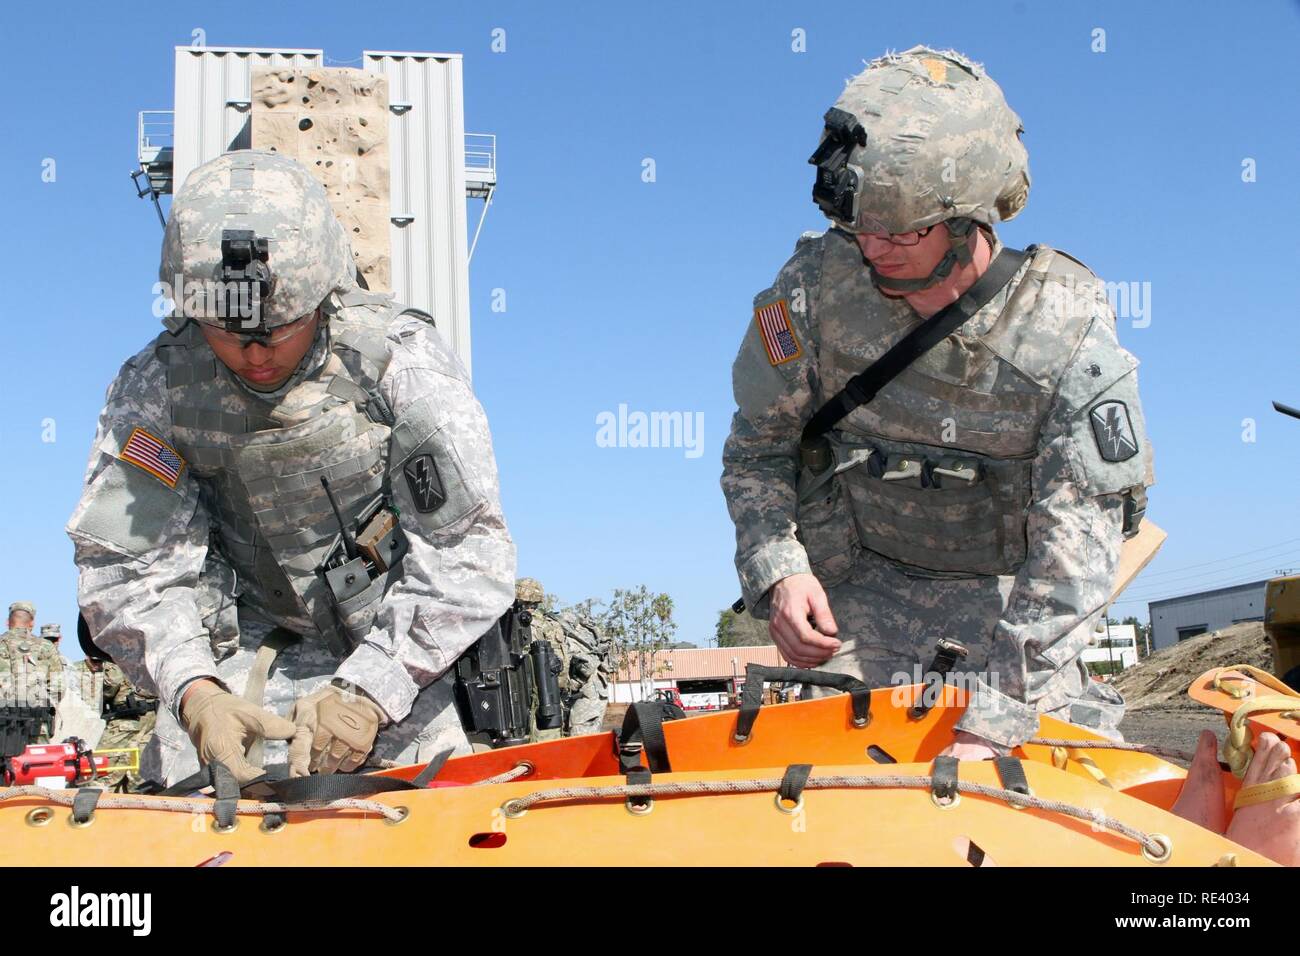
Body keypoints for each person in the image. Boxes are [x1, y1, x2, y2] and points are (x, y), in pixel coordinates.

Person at [720, 46, 1154, 761]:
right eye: (863, 229)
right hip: (859, 594)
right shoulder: (814, 290)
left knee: (1054, 798)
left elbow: (1072, 558)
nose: (877, 249)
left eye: (905, 231)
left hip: (1016, 613)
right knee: (832, 795)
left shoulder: (1065, 331)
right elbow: (758, 451)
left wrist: (1001, 716)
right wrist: (780, 570)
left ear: (967, 217)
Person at [67, 149, 516, 787]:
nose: (254, 356)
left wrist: (370, 691)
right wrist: (196, 694)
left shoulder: (397, 364)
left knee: (423, 816)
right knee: (187, 814)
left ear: (324, 297)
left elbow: (466, 553)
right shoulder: (157, 388)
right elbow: (128, 568)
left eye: (278, 331)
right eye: (227, 334)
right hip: (231, 657)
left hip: (396, 649)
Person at [67, 616, 158, 791]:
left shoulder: (117, 654)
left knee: (98, 775)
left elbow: (111, 685)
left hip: (125, 723)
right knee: (140, 779)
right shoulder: (150, 650)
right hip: (153, 720)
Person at [514, 578, 612, 739]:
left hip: (544, 696)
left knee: (550, 743)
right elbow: (562, 664)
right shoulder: (550, 624)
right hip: (553, 694)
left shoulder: (528, 625)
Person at [0, 602, 62, 743]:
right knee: (38, 762)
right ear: (31, 623)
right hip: (37, 720)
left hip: (4, 721)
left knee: (6, 762)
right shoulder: (46, 646)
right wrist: (47, 707)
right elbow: (59, 686)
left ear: (7, 622)